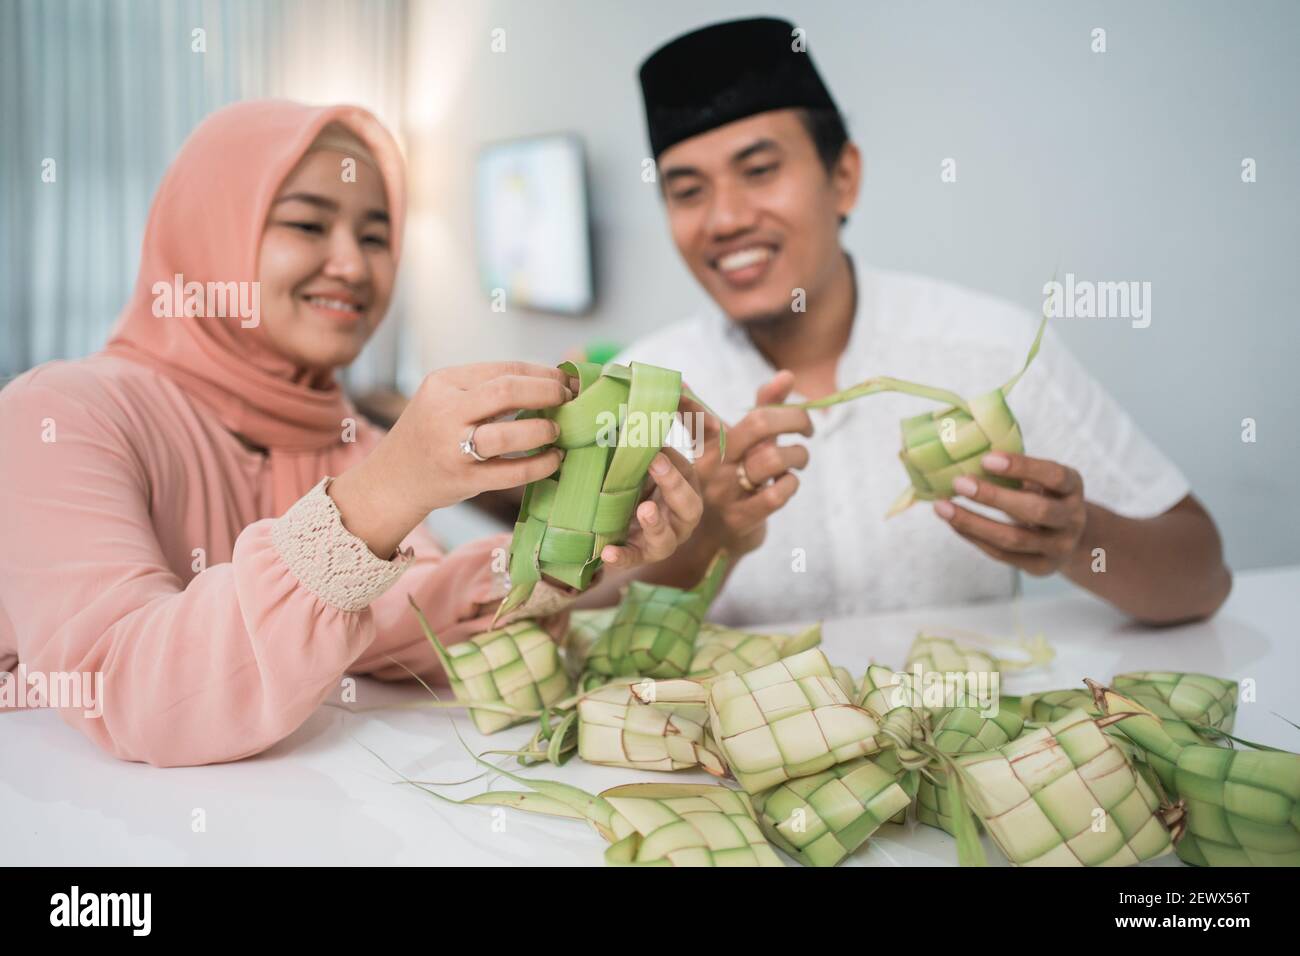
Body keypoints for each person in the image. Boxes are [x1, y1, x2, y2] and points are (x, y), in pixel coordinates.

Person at [0, 101, 703, 767]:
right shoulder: (59, 417)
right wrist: (382, 492)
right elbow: (127, 686)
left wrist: (581, 534)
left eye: (375, 237)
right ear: (208, 230)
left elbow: (407, 625)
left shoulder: (342, 436)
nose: (352, 264)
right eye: (308, 225)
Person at [618, 17, 1231, 627]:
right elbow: (574, 615)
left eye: (759, 171)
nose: (724, 219)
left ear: (844, 178)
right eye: (688, 191)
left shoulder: (990, 347)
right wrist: (706, 542)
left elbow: (1202, 580)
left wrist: (1078, 538)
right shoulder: (643, 395)